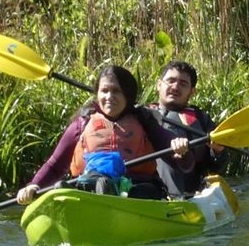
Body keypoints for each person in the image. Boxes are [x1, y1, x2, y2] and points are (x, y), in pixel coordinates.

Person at [15, 63, 174, 204]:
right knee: (76, 186)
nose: (109, 97)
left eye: (116, 91)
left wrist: (178, 146)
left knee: (119, 187)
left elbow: (173, 150)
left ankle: (107, 200)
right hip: (90, 187)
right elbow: (55, 165)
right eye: (104, 91)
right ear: (97, 94)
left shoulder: (144, 120)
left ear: (128, 95)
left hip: (136, 190)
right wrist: (34, 185)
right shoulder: (82, 123)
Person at [150, 60, 222, 198]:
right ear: (159, 85)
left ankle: (177, 199)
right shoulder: (141, 115)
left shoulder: (201, 119)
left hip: (192, 193)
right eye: (170, 81)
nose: (175, 87)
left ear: (192, 91)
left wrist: (218, 151)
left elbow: (217, 167)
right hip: (148, 188)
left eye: (183, 84)